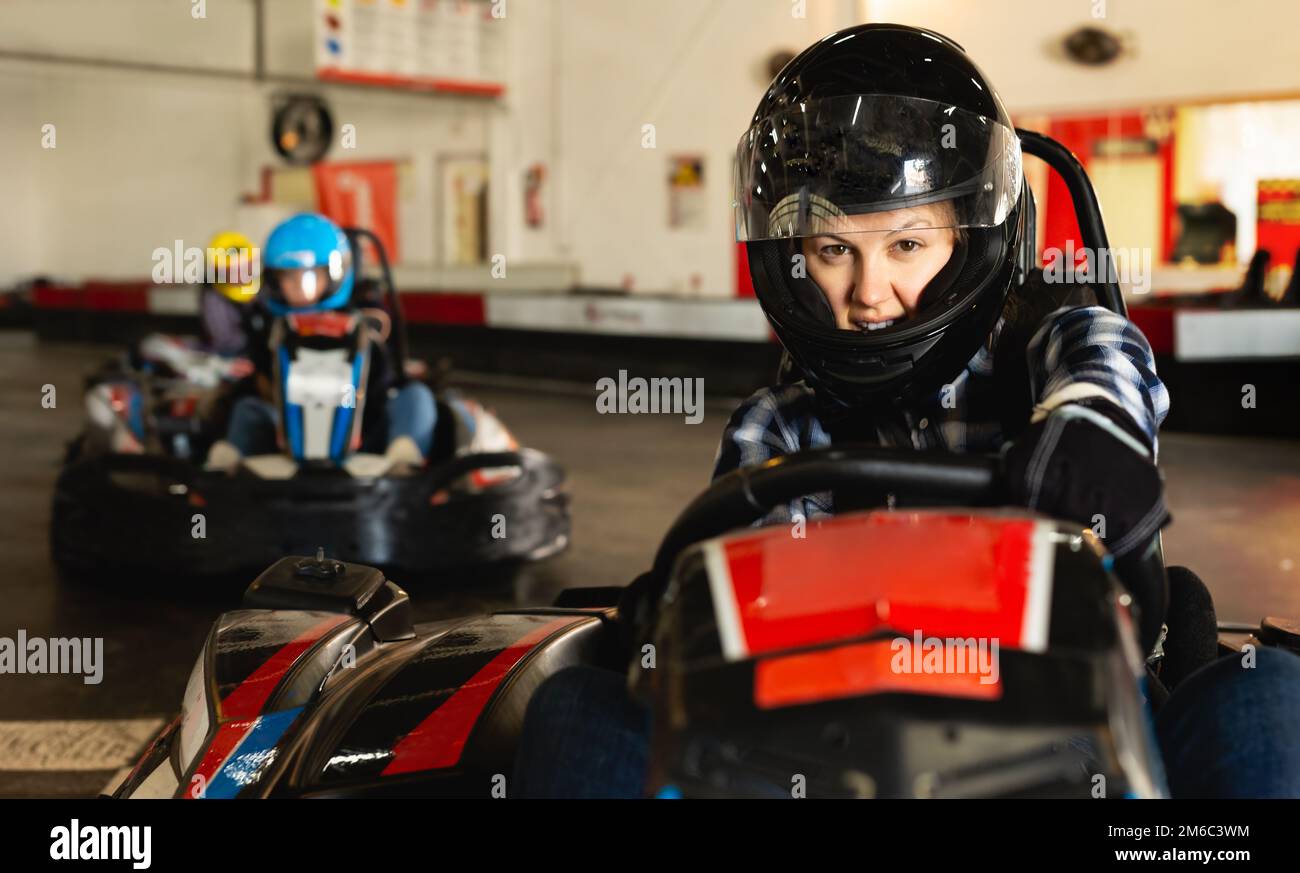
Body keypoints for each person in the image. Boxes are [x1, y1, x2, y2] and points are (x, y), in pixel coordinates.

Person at [512, 23, 1300, 799]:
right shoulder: (782, 422)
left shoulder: (1051, 344)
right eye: (833, 251)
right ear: (794, 258)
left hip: (1055, 729)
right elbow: (734, 621)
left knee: (1268, 693)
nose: (868, 292)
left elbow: (1107, 372)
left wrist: (1088, 435)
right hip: (825, 743)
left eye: (906, 246)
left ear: (973, 238)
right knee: (578, 705)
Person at [205, 213, 436, 470]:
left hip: (362, 439)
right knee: (245, 408)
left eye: (309, 277)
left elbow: (384, 382)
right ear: (274, 281)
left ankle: (403, 465)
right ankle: (225, 468)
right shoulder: (268, 328)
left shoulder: (364, 320)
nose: (298, 289)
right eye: (288, 278)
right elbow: (256, 383)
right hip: (285, 444)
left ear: (334, 274)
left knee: (417, 396)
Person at [200, 230, 266, 357]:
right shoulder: (213, 298)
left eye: (245, 266)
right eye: (233, 269)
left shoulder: (263, 286)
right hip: (235, 356)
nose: (241, 273)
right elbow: (226, 341)